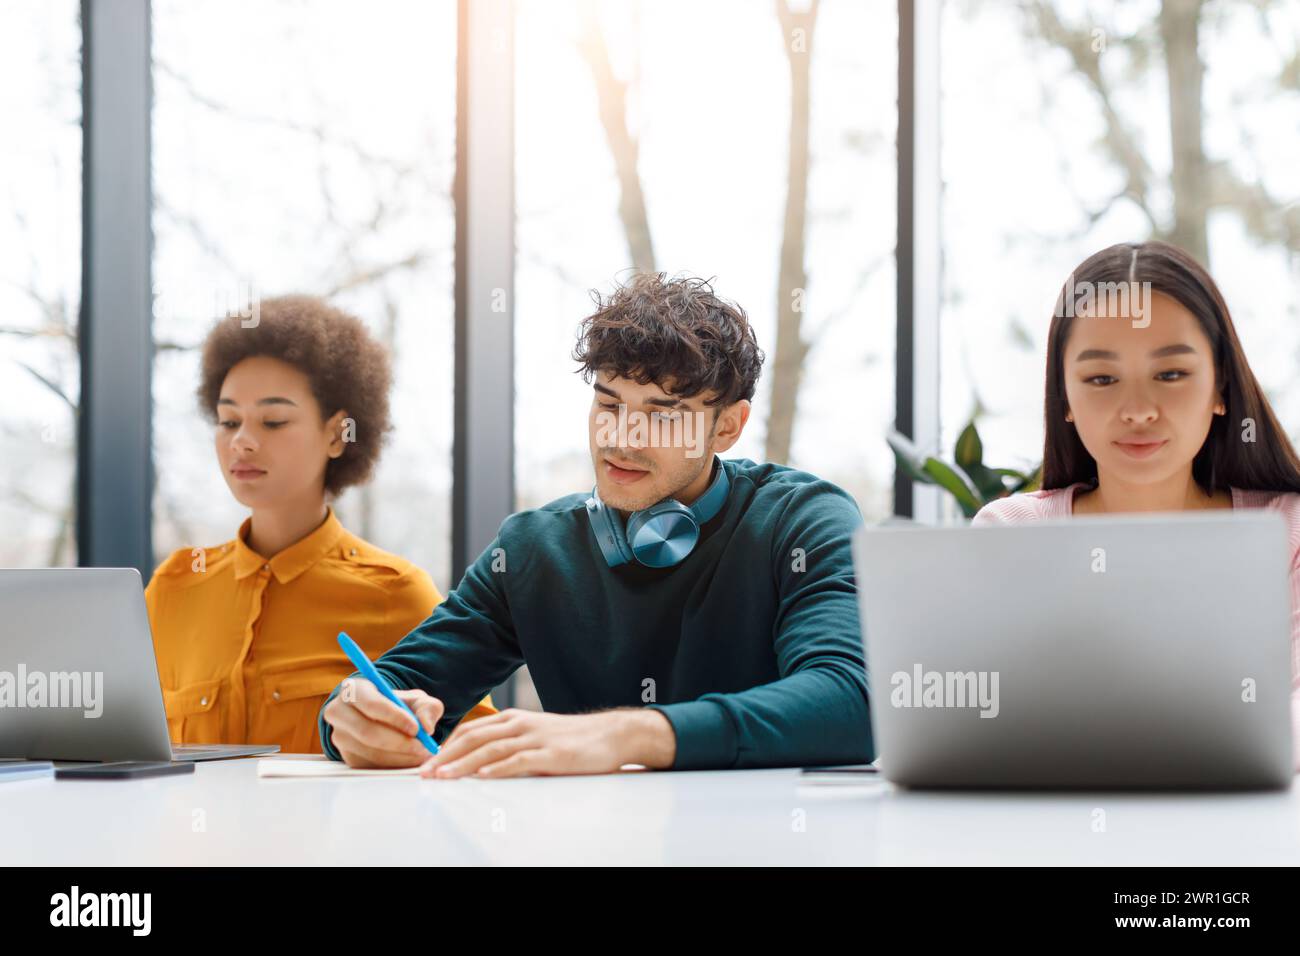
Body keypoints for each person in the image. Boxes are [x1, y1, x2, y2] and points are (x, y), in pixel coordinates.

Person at [319, 272, 873, 776]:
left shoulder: (803, 521)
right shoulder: (533, 549)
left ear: (728, 427)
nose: (622, 440)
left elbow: (852, 701)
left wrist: (630, 736)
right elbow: (392, 685)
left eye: (662, 416)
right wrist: (352, 718)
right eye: (609, 406)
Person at [972, 240, 1300, 769]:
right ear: (1065, 398)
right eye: (1101, 379)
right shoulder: (1013, 533)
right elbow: (981, 712)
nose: (1139, 410)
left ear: (1221, 386)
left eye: (1171, 374)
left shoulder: (1288, 530)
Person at [146, 295, 494, 754]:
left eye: (273, 421)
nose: (242, 441)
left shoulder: (395, 593)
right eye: (229, 421)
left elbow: (472, 753)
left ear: (335, 434)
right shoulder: (174, 587)